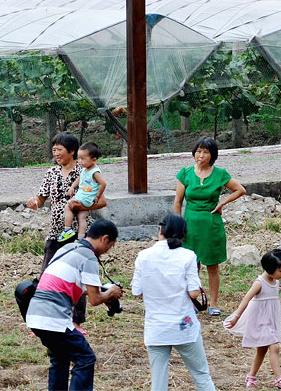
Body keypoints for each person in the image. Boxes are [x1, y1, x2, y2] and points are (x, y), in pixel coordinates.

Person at [25, 132, 108, 333]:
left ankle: (76, 321)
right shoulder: (51, 173)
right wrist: (35, 202)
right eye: (54, 149)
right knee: (47, 276)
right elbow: (42, 198)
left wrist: (83, 205)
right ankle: (42, 319)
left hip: (79, 234)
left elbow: (103, 201)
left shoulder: (86, 170)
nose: (56, 153)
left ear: (72, 151)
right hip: (56, 232)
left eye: (59, 149)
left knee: (78, 278)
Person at [26, 219, 123, 391]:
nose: (109, 251)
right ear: (104, 238)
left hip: (35, 315)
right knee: (86, 358)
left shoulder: (67, 248)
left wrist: (104, 292)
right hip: (53, 318)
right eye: (111, 245)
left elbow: (72, 285)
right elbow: (94, 300)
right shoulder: (88, 257)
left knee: (60, 357)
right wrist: (111, 292)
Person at [132, 214, 217, 391]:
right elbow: (194, 293)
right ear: (183, 235)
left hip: (156, 328)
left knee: (158, 383)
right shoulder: (188, 256)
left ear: (160, 230)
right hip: (183, 326)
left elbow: (136, 291)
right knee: (202, 376)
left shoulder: (143, 256)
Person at [173, 136, 246, 316]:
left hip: (211, 225)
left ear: (212, 155)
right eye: (198, 151)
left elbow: (240, 189)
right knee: (192, 266)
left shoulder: (220, 174)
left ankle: (213, 303)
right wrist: (177, 227)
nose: (201, 155)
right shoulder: (185, 173)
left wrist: (222, 203)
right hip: (189, 225)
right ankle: (193, 301)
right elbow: (177, 202)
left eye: (206, 152)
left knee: (212, 266)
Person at [223, 249, 281, 389]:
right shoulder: (260, 283)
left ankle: (251, 376)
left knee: (262, 350)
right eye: (280, 271)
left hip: (270, 320)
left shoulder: (275, 280)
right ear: (269, 269)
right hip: (260, 321)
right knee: (274, 346)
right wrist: (236, 317)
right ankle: (279, 379)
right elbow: (246, 299)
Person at [58, 142, 107, 243]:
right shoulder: (86, 169)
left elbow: (103, 184)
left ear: (93, 160)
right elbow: (80, 178)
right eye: (79, 158)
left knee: (68, 206)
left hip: (84, 197)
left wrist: (97, 196)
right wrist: (72, 187)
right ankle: (80, 238)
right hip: (88, 200)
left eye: (83, 159)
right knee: (82, 217)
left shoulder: (95, 172)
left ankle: (67, 229)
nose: (79, 161)